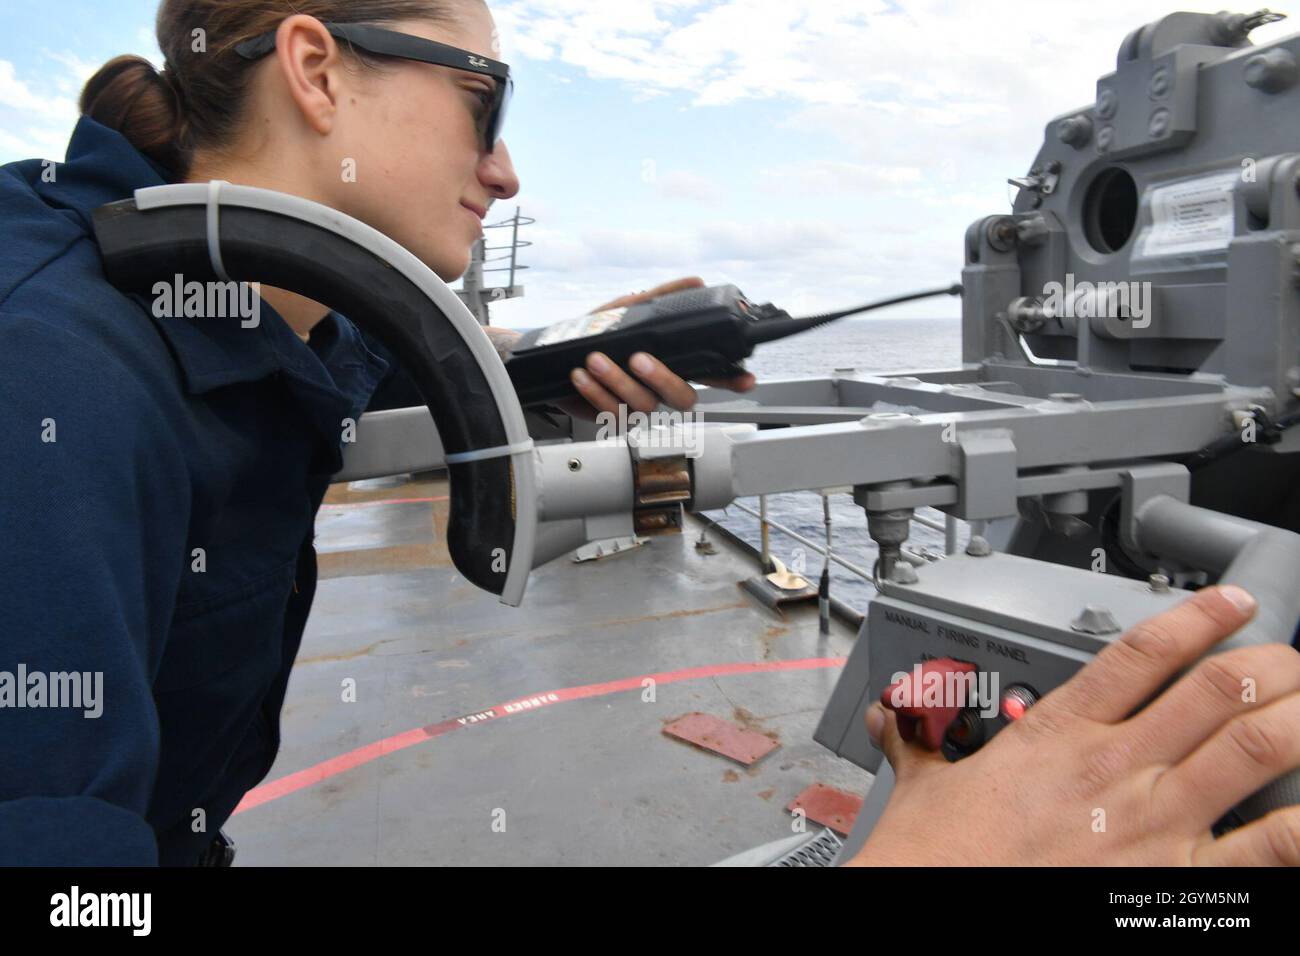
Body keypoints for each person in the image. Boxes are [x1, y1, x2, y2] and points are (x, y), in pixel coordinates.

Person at [0, 0, 1296, 867]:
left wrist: (557, 406)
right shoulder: (47, 374)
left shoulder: (254, 320)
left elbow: (385, 391)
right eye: (484, 104)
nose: (505, 172)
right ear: (317, 69)